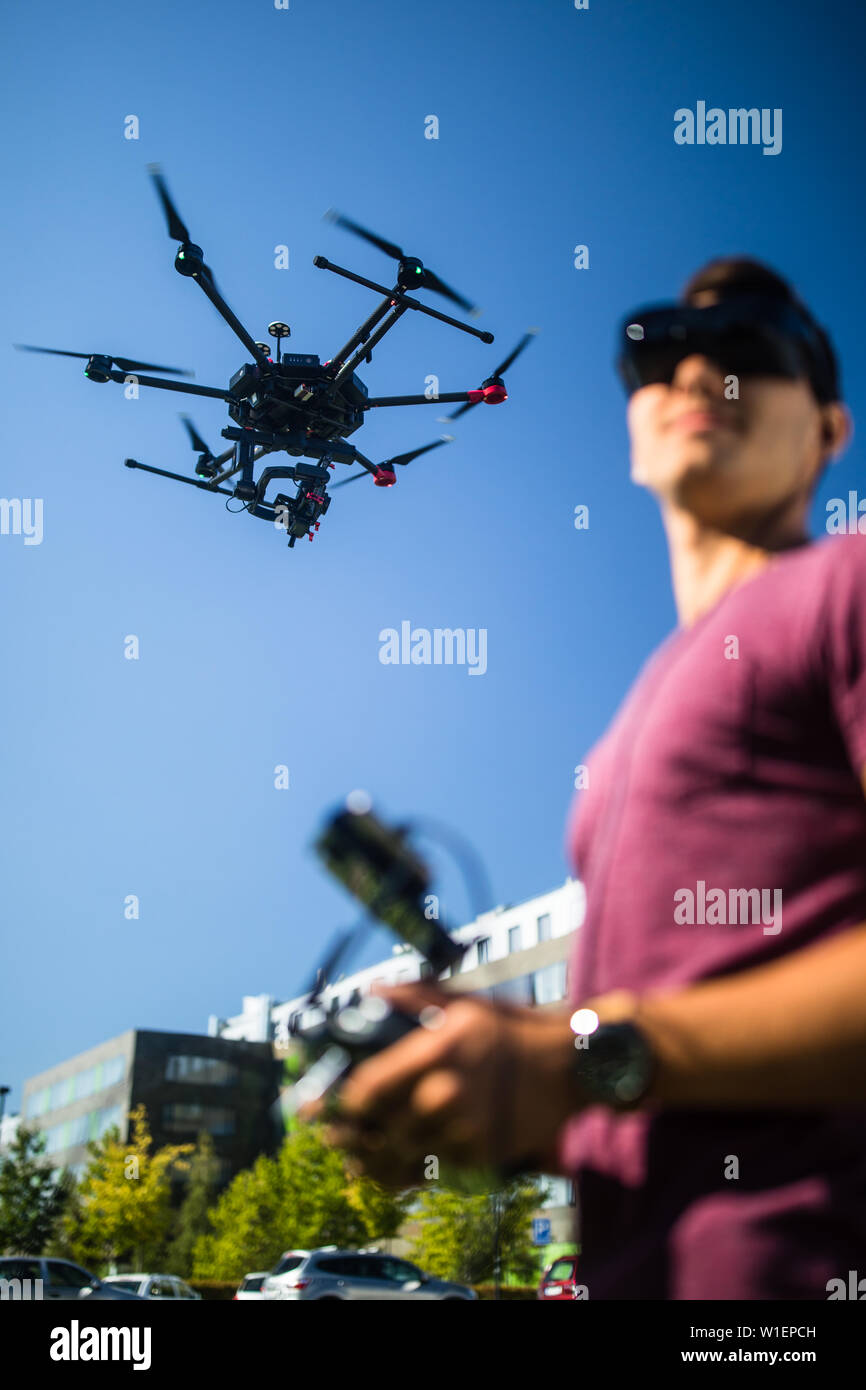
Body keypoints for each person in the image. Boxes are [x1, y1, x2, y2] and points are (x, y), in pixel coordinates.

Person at [311, 256, 866, 1300]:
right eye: (656, 350)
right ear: (631, 421)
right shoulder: (620, 737)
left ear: (828, 431)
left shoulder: (846, 585)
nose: (699, 372)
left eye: (748, 348)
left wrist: (578, 1057)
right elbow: (675, 1100)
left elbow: (614, 1055)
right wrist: (476, 1102)